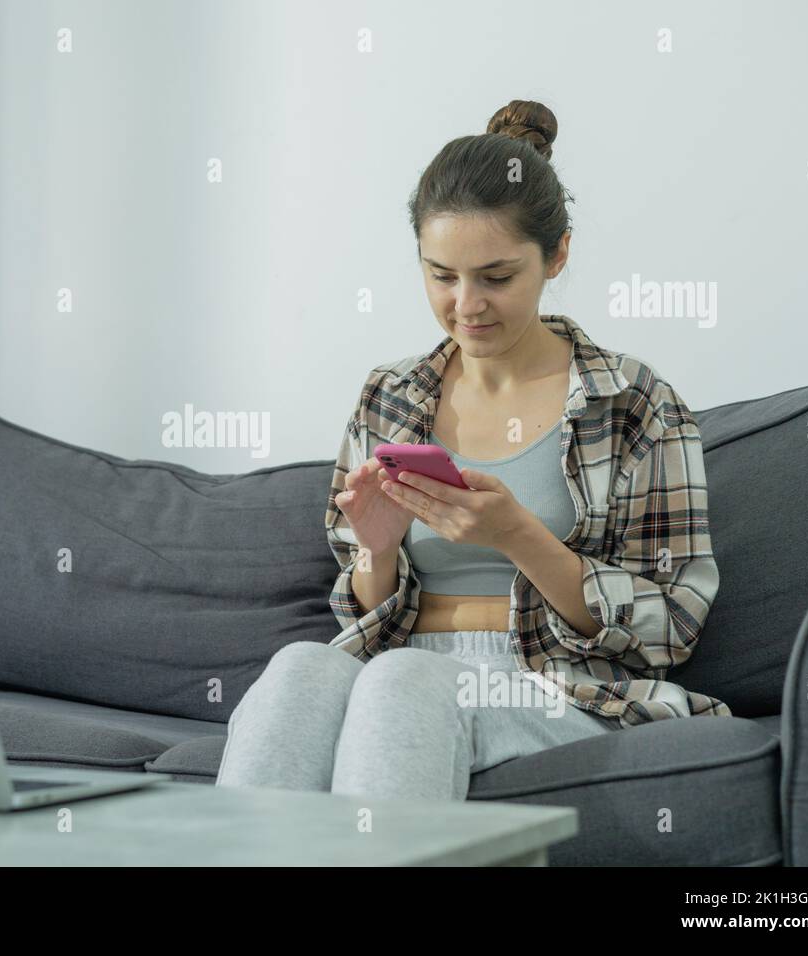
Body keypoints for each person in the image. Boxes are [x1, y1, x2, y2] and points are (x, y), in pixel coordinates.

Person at [215, 99, 730, 802]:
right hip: (398, 666)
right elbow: (361, 614)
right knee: (300, 669)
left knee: (402, 682)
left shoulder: (633, 403)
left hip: (559, 685)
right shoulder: (390, 396)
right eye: (441, 276)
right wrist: (379, 548)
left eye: (496, 277)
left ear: (558, 255)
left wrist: (516, 534)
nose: (467, 306)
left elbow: (671, 625)